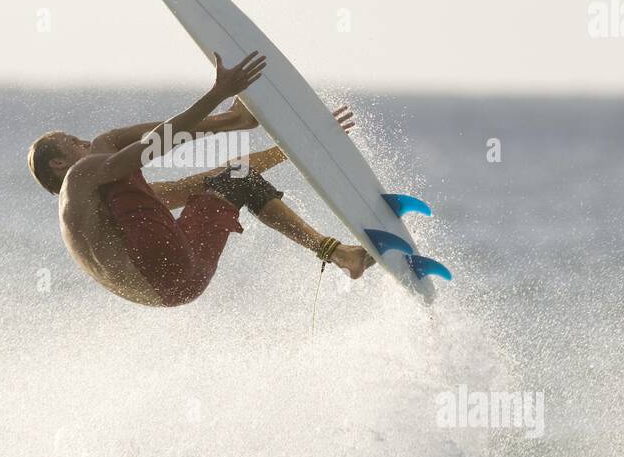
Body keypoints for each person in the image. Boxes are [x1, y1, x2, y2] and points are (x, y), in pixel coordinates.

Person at [26, 52, 374, 307]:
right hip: (163, 266)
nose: (83, 142)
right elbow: (150, 148)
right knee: (107, 141)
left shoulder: (112, 208)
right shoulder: (78, 177)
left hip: (178, 285)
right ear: (59, 163)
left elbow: (220, 178)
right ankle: (230, 120)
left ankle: (342, 254)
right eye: (73, 142)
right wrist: (217, 94)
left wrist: (296, 148)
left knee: (239, 180)